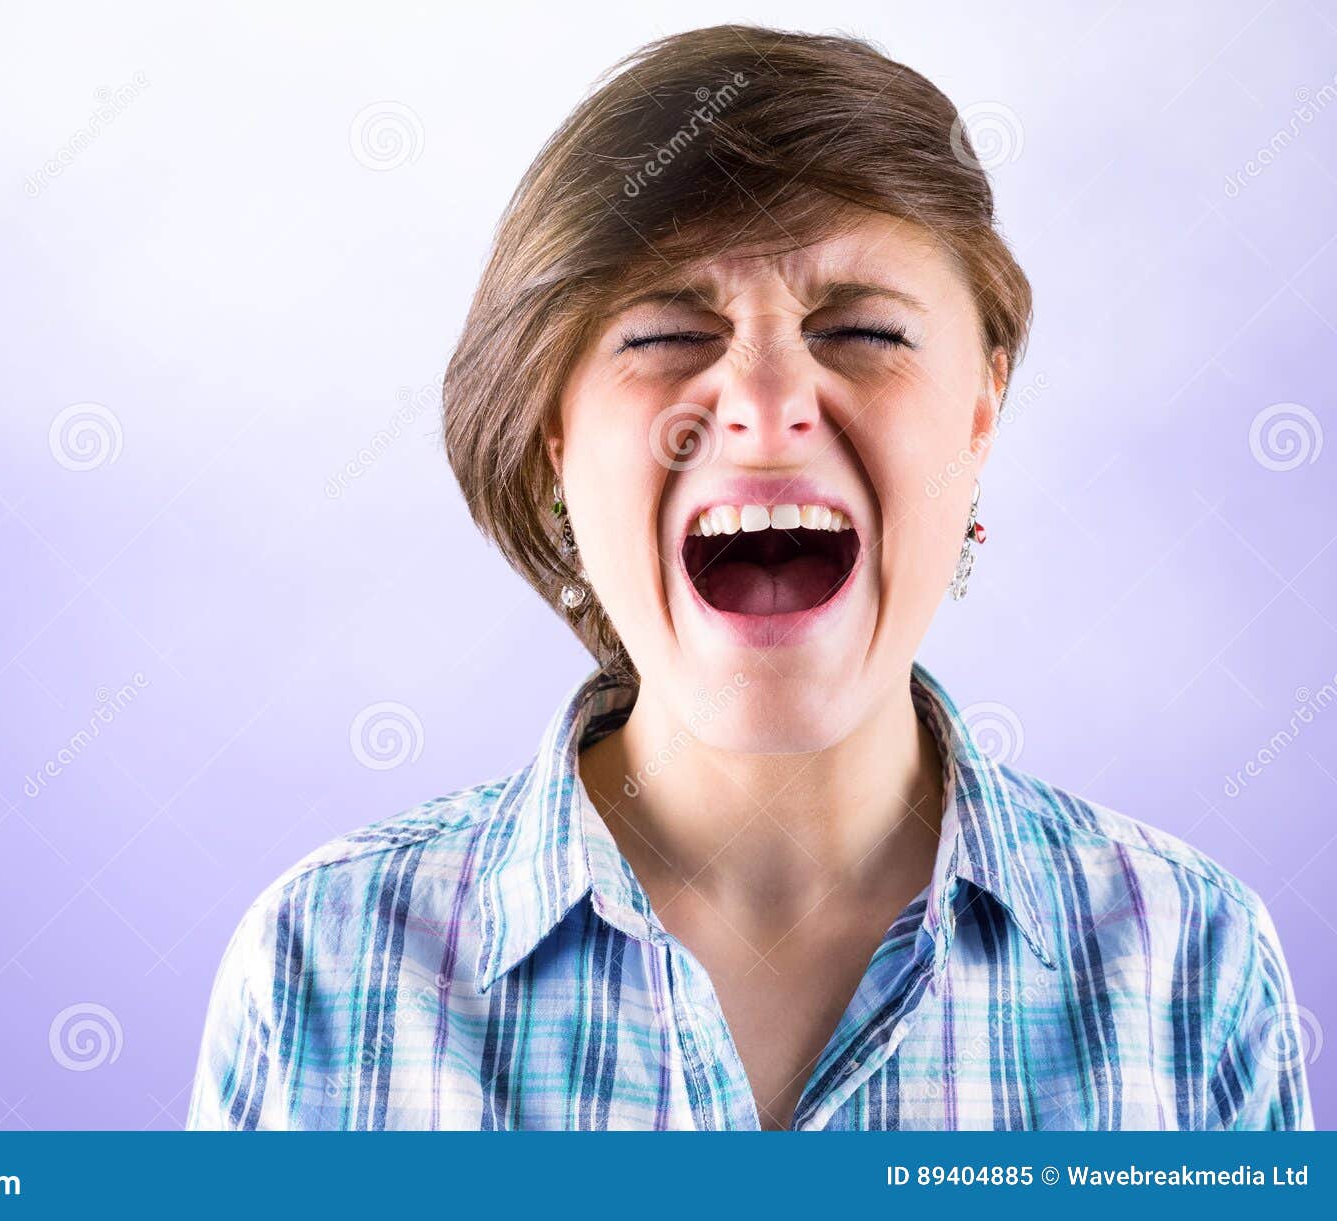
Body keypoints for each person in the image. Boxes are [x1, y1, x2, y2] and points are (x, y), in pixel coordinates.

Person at [187, 24, 1313, 1130]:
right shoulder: (324, 969)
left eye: (864, 329)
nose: (767, 412)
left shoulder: (1187, 963)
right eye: (664, 333)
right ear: (552, 440)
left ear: (979, 413)